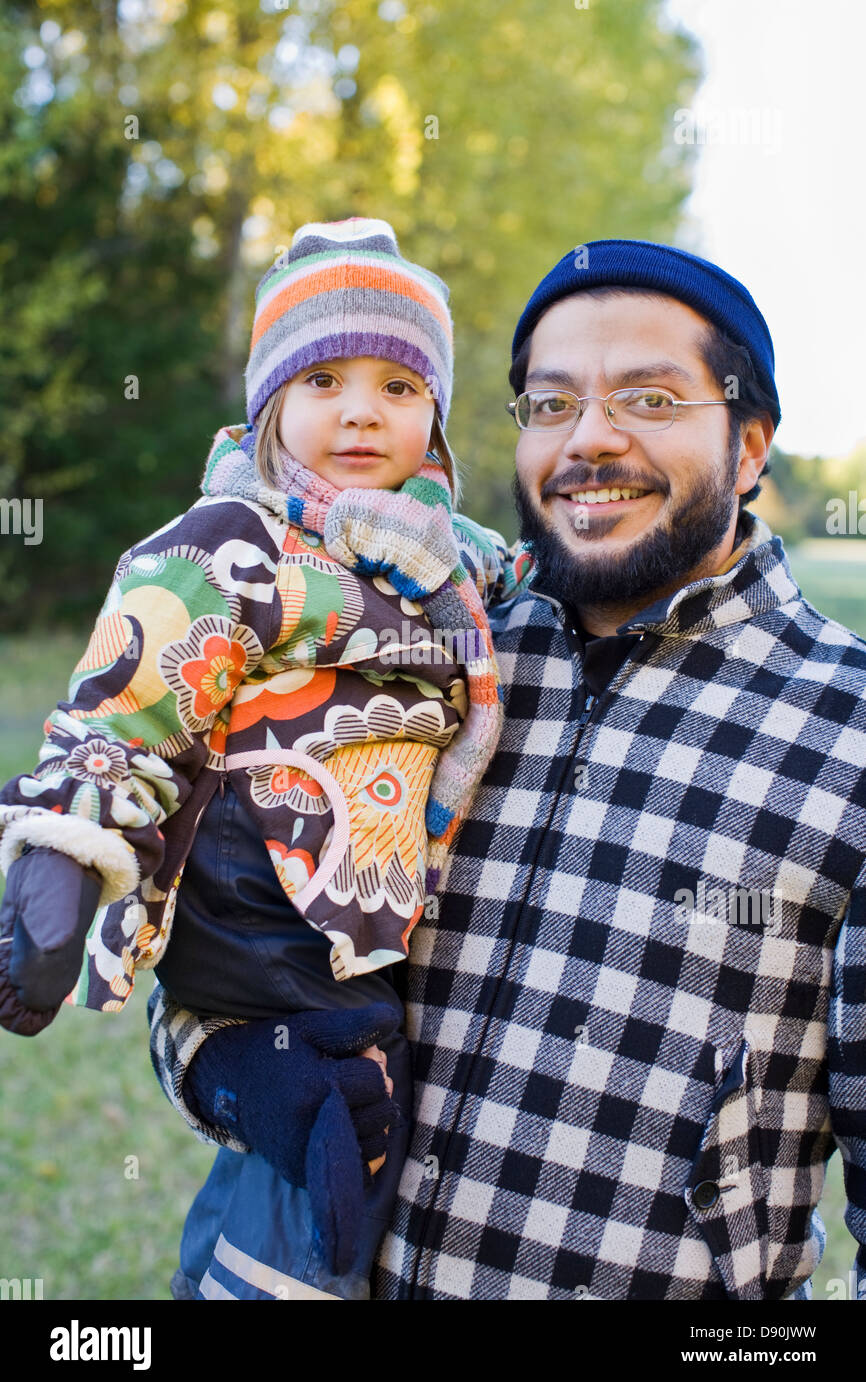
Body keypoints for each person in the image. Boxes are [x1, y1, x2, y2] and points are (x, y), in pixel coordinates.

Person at [148, 237, 866, 1301]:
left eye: (649, 400)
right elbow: (221, 946)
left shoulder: (844, 731)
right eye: (547, 404)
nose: (589, 441)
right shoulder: (408, 652)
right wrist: (234, 1069)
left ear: (750, 443)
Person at [0, 217, 531, 1299]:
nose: (359, 409)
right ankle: (252, 1229)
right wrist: (56, 866)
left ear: (432, 413)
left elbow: (534, 584)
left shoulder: (453, 557)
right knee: (321, 1110)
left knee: (359, 1113)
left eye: (396, 384)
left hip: (369, 902)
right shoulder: (231, 539)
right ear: (270, 402)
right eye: (324, 376)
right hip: (258, 882)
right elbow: (128, 702)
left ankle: (285, 1227)